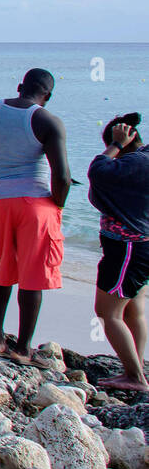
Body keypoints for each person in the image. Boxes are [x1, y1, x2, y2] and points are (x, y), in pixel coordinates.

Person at [0, 68, 71, 365]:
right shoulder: (47, 120)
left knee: (3, 266)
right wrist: (57, 205)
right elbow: (61, 176)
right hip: (36, 203)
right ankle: (23, 348)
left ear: (20, 86)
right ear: (47, 96)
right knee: (33, 274)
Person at [86, 114, 149, 392]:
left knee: (107, 312)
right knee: (134, 310)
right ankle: (134, 367)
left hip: (127, 248)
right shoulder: (143, 159)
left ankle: (135, 376)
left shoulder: (133, 162)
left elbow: (97, 170)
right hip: (142, 245)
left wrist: (115, 144)